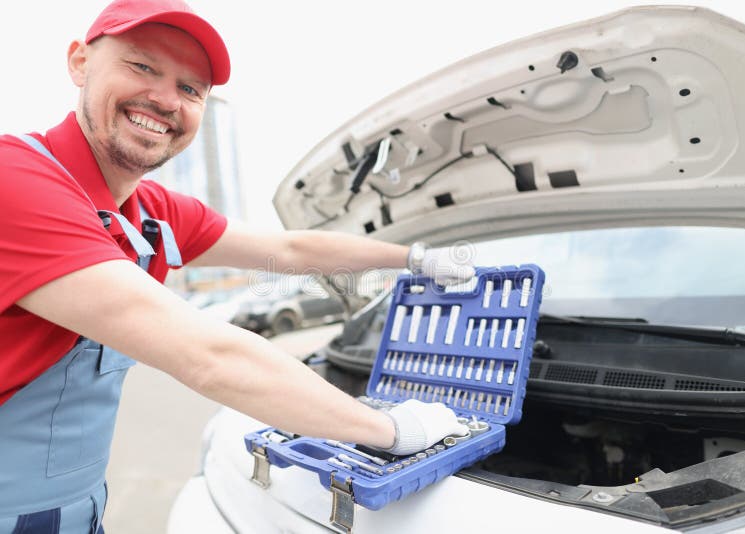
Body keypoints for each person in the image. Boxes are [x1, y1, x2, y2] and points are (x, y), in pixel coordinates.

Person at [0, 0, 473, 531]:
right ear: (80, 62)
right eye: (142, 66)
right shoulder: (15, 181)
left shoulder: (149, 213)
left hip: (76, 508)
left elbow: (291, 252)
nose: (164, 100)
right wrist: (387, 428)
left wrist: (412, 258)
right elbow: (208, 355)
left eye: (190, 89)